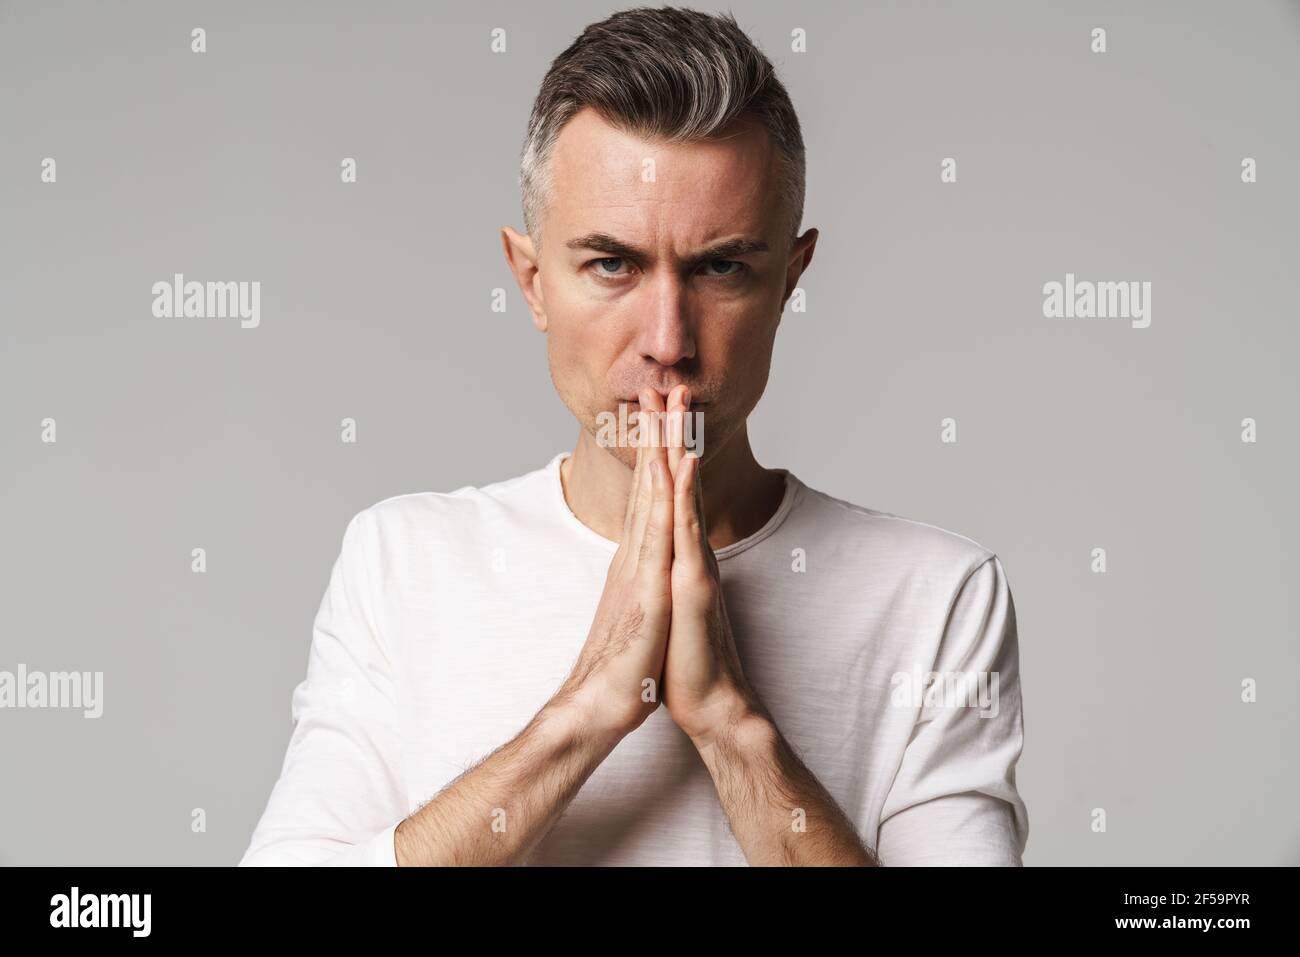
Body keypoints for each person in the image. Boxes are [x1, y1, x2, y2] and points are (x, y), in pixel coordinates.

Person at [239, 6, 1027, 867]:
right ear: (533, 281)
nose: (668, 338)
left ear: (790, 280)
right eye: (611, 263)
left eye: (721, 266)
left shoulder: (938, 596)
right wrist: (585, 708)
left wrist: (730, 722)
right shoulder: (401, 560)